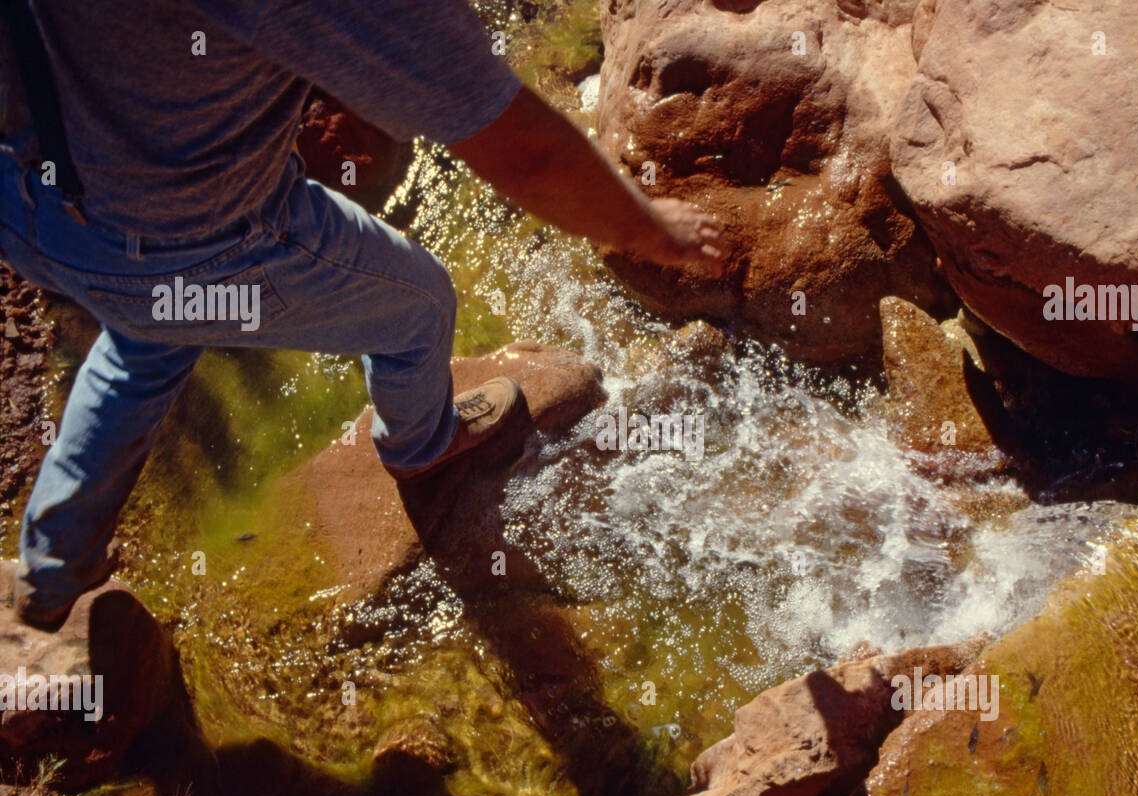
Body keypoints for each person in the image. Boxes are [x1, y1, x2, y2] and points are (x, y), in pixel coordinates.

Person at [0, 0, 726, 629]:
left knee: (145, 336)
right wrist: (643, 225)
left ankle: (53, 568)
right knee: (417, 303)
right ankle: (421, 446)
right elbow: (527, 157)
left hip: (33, 209)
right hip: (189, 243)